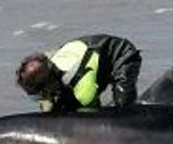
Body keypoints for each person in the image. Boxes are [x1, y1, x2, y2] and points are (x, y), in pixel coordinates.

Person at [15, 34, 144, 112]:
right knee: (64, 106)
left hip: (121, 54)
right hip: (95, 57)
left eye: (40, 95)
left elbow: (92, 115)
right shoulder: (51, 62)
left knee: (123, 107)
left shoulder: (81, 86)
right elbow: (48, 104)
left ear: (49, 85)